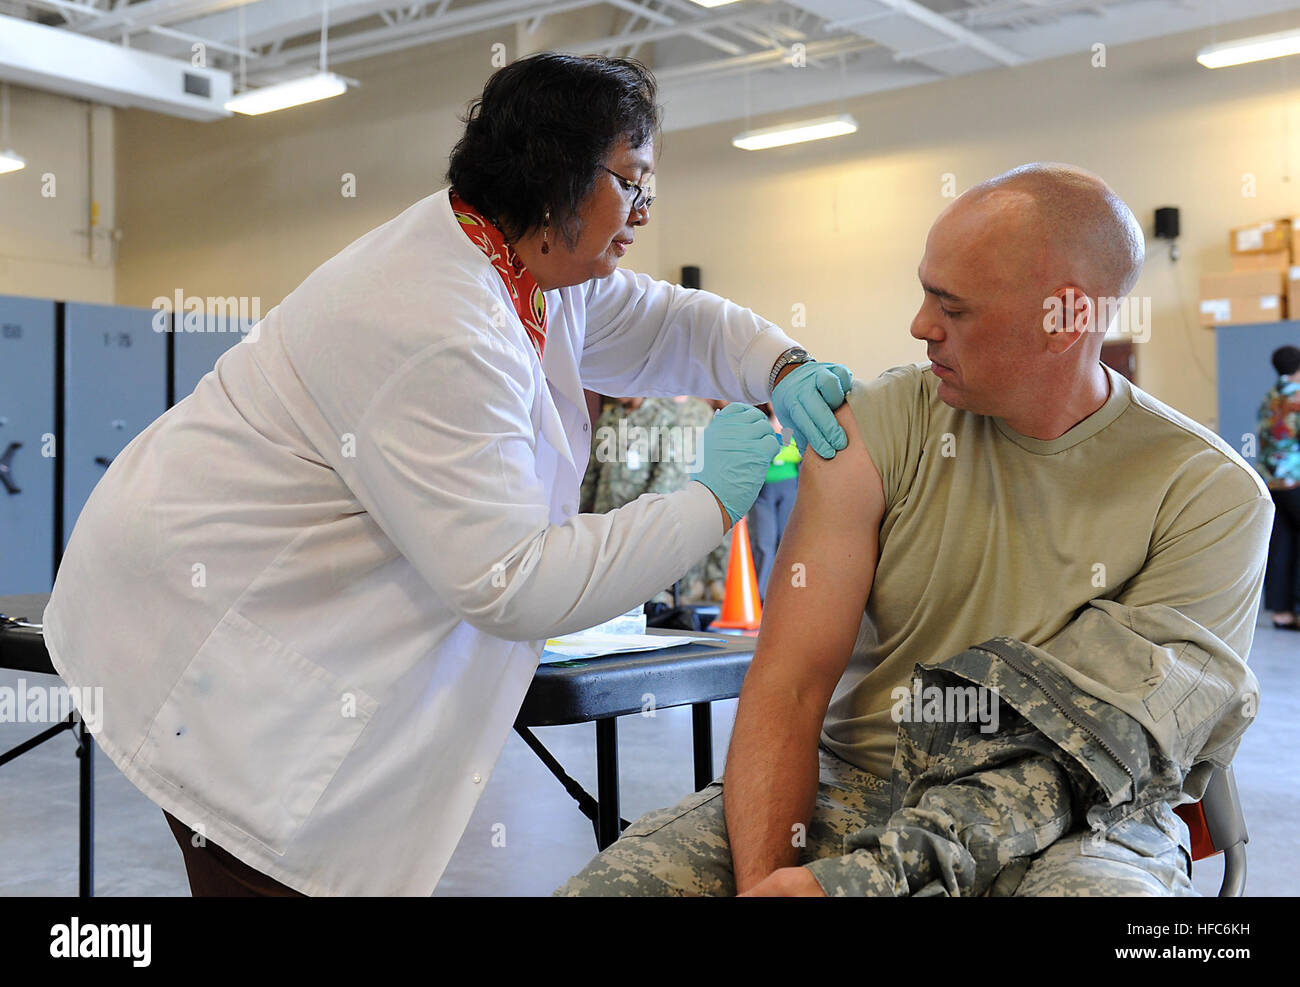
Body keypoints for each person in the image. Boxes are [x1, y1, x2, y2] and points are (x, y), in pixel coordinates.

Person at [40, 52, 853, 896]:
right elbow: (512, 578)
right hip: (204, 623)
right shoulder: (437, 318)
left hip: (274, 603)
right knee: (257, 866)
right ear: (558, 175)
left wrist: (778, 361)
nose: (645, 212)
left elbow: (660, 325)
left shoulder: (527, 263)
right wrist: (705, 501)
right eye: (632, 183)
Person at [557, 162, 1268, 897]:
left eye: (952, 308)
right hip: (861, 781)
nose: (920, 326)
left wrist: (860, 882)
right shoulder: (876, 424)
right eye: (926, 290)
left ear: (1065, 319)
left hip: (1090, 817)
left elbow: (1067, 766)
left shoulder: (1210, 495)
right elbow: (790, 686)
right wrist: (770, 878)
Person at [579, 395, 731, 604]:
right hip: (606, 517)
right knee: (605, 588)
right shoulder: (608, 419)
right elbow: (592, 472)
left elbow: (667, 471)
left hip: (640, 519)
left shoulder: (664, 416)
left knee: (645, 593)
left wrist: (644, 512)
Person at [1256, 344, 1300, 628]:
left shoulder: (1268, 398)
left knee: (1281, 543)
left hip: (1271, 481)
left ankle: (1281, 612)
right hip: (1296, 480)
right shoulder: (1297, 397)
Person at [746, 402, 801, 600]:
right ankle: (760, 597)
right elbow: (757, 452)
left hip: (788, 488)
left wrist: (778, 437)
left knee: (785, 541)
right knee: (763, 542)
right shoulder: (756, 420)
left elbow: (796, 452)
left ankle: (786, 595)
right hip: (762, 491)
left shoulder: (794, 420)